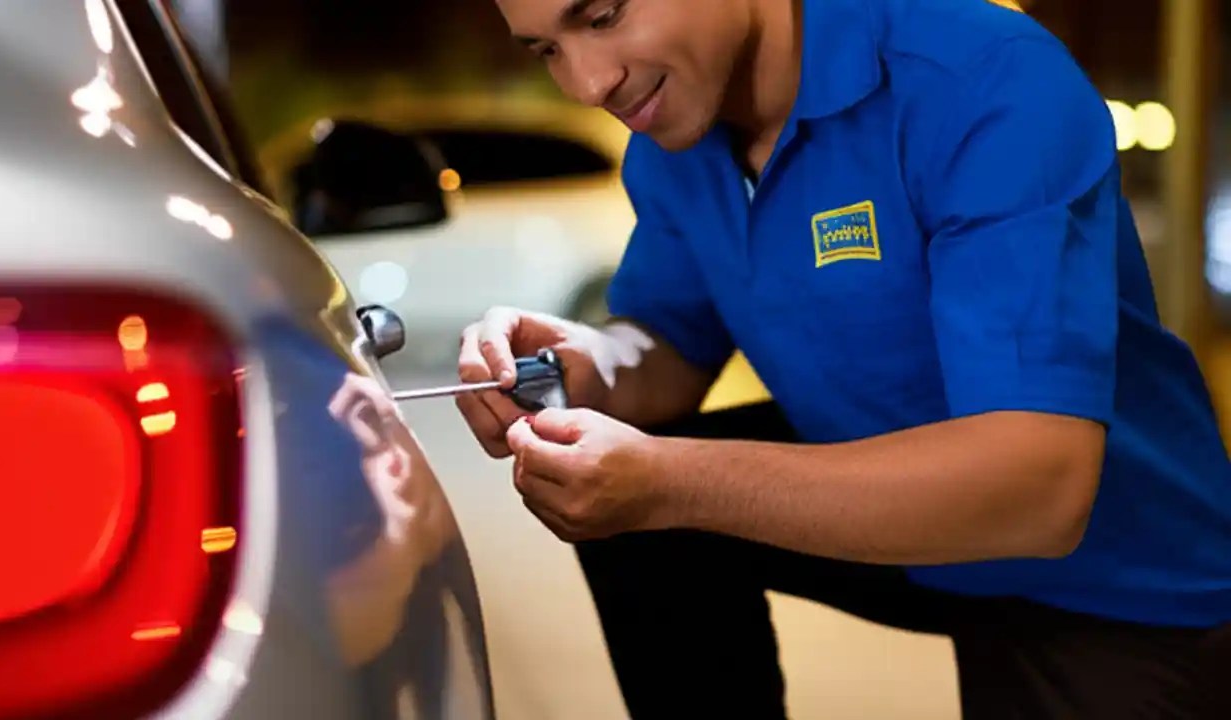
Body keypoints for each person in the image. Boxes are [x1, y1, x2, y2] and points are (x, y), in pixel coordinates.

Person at [454, 0, 1231, 716]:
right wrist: (575, 363)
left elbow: (1039, 488)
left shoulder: (980, 80)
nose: (589, 84)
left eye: (603, 15)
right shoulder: (676, 137)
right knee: (637, 519)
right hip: (922, 533)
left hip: (1116, 587)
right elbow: (669, 344)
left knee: (659, 492)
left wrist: (668, 484)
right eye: (546, 49)